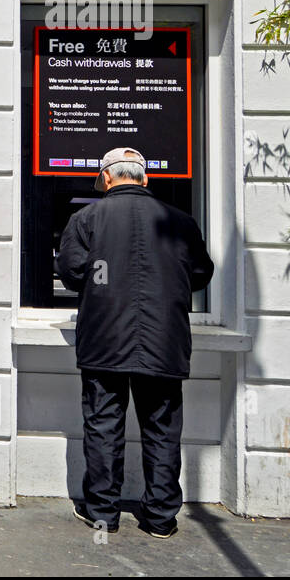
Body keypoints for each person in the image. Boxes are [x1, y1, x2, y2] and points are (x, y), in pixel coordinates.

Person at [55, 147, 214, 538]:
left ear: (107, 178)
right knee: (162, 428)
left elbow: (72, 273)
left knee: (103, 426)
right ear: (144, 178)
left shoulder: (86, 218)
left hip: (104, 340)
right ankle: (160, 519)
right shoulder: (180, 221)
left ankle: (103, 514)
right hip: (164, 341)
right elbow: (200, 274)